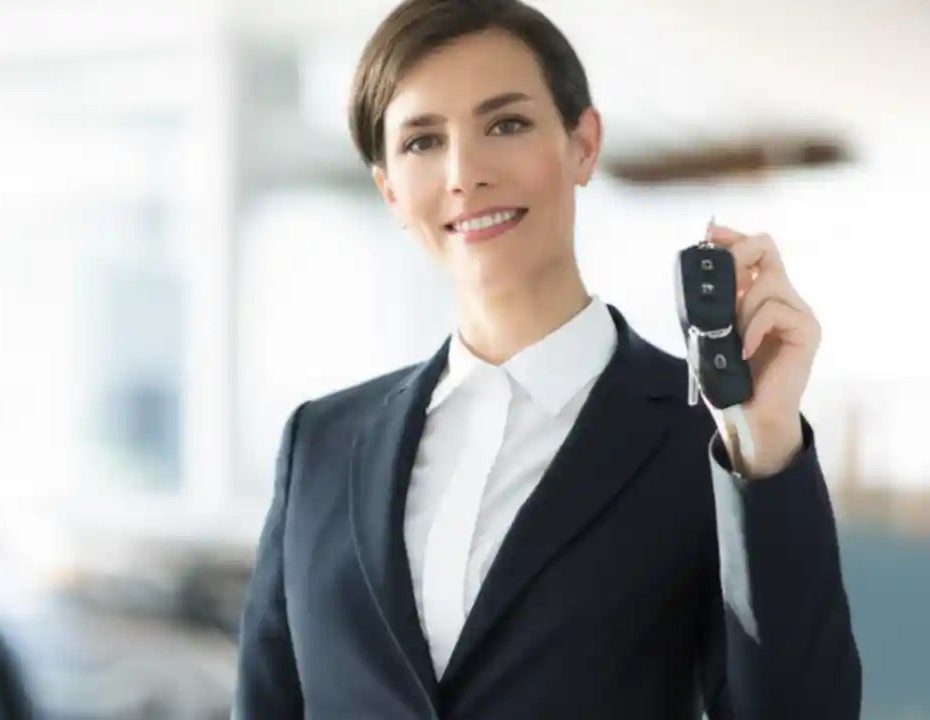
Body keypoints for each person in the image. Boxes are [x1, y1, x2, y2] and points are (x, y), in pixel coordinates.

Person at [233, 0, 862, 717]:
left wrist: (765, 443)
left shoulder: (709, 442)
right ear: (389, 192)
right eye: (421, 142)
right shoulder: (318, 444)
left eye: (506, 124)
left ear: (583, 143)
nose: (465, 172)